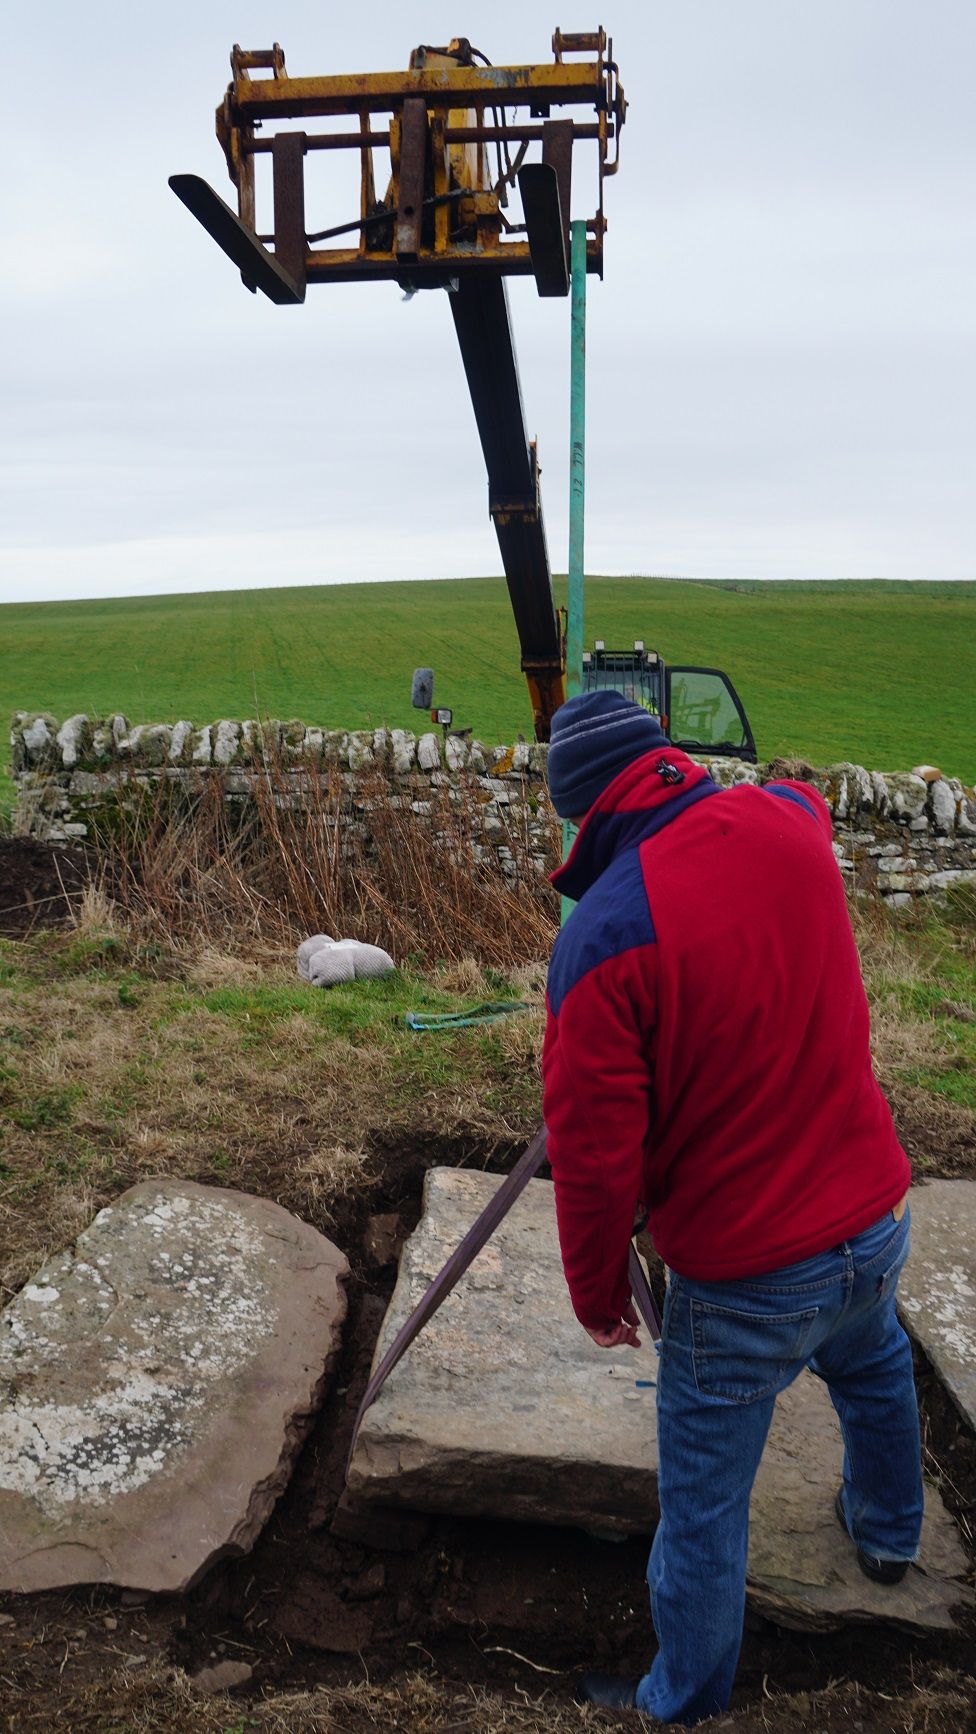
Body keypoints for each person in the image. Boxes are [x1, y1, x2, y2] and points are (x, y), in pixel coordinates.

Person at [541, 689, 922, 1727]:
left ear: (583, 812)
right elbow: (808, 801)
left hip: (746, 1273)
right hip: (872, 1218)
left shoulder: (604, 938)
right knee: (876, 1363)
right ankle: (890, 1536)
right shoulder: (786, 821)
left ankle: (681, 1702)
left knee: (703, 1506)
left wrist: (595, 1291)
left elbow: (591, 1157)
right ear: (663, 760)